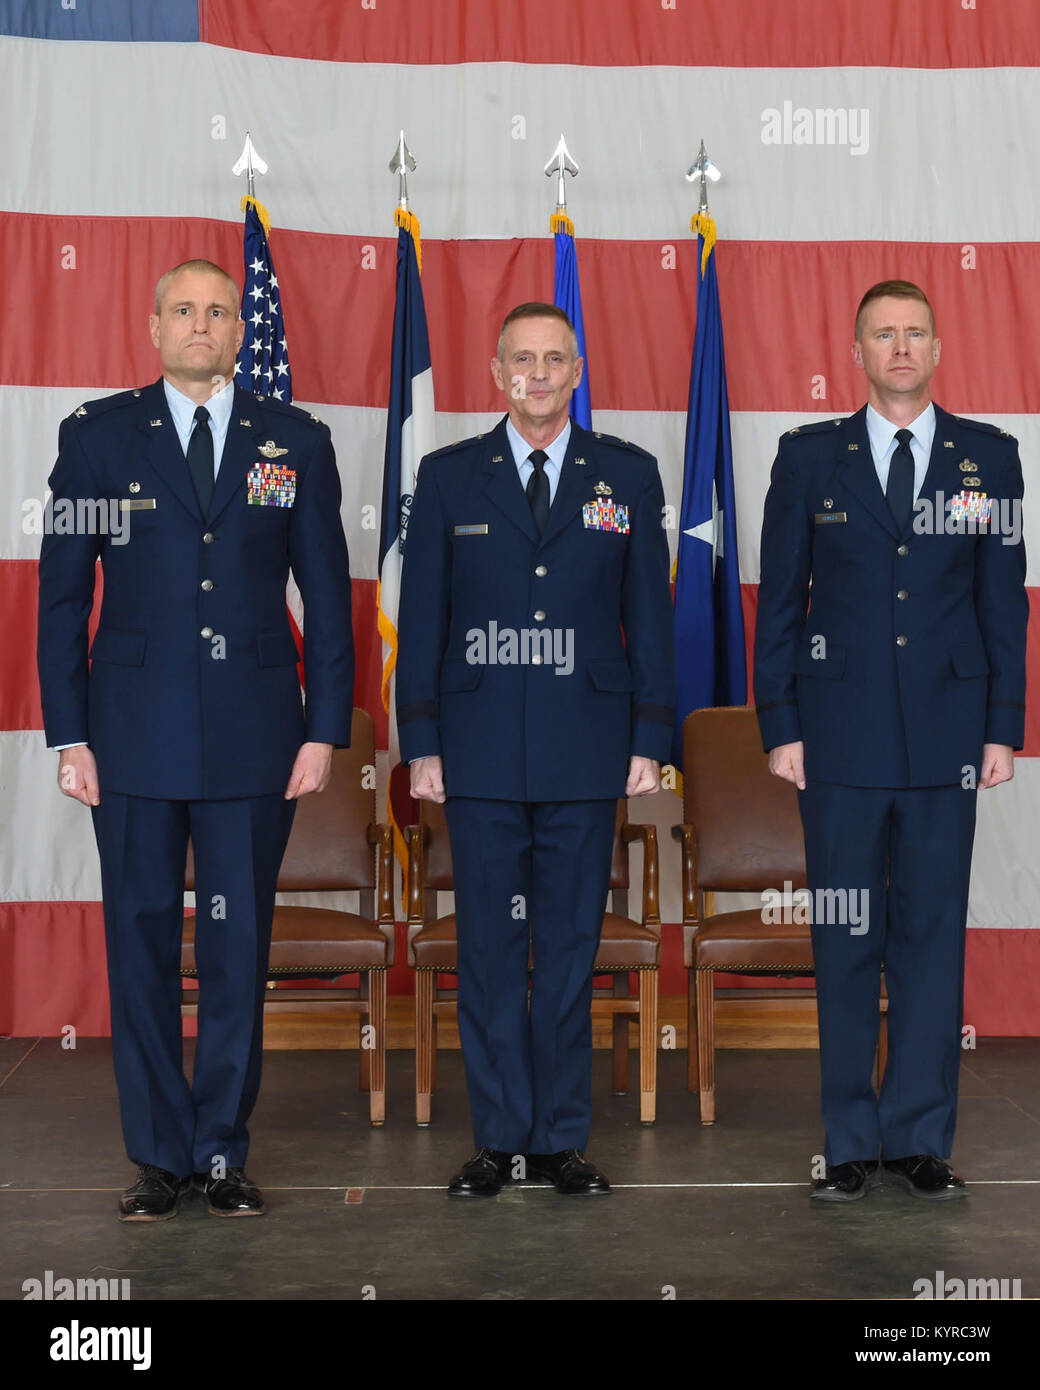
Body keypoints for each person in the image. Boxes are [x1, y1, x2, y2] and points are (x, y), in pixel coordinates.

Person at [37, 260, 355, 1220]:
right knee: (138, 941)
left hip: (257, 735)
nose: (201, 324)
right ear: (154, 327)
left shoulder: (295, 440)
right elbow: (63, 599)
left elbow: (327, 597)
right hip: (129, 734)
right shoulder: (97, 437)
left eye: (218, 311)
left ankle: (220, 1150)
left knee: (234, 947)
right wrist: (69, 735)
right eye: (183, 310)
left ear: (237, 332)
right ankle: (156, 1156)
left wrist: (325, 730)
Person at [754, 280, 1026, 1202]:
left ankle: (918, 1139)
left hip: (950, 738)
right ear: (858, 352)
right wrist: (781, 726)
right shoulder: (808, 459)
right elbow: (779, 604)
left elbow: (1004, 606)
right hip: (837, 739)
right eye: (883, 334)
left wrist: (1002, 728)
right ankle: (848, 1141)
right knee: (845, 939)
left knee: (930, 937)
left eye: (915, 333)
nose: (900, 347)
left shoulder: (991, 459)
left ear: (937, 349)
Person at [396, 302, 674, 1196]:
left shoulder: (626, 475)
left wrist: (650, 737)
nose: (539, 374)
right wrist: (422, 742)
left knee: (566, 950)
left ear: (578, 371)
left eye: (555, 359)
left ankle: (557, 1140)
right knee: (487, 952)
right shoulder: (448, 478)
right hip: (476, 753)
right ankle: (499, 1139)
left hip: (587, 750)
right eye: (523, 359)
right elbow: (423, 620)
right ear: (497, 373)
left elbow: (650, 621)